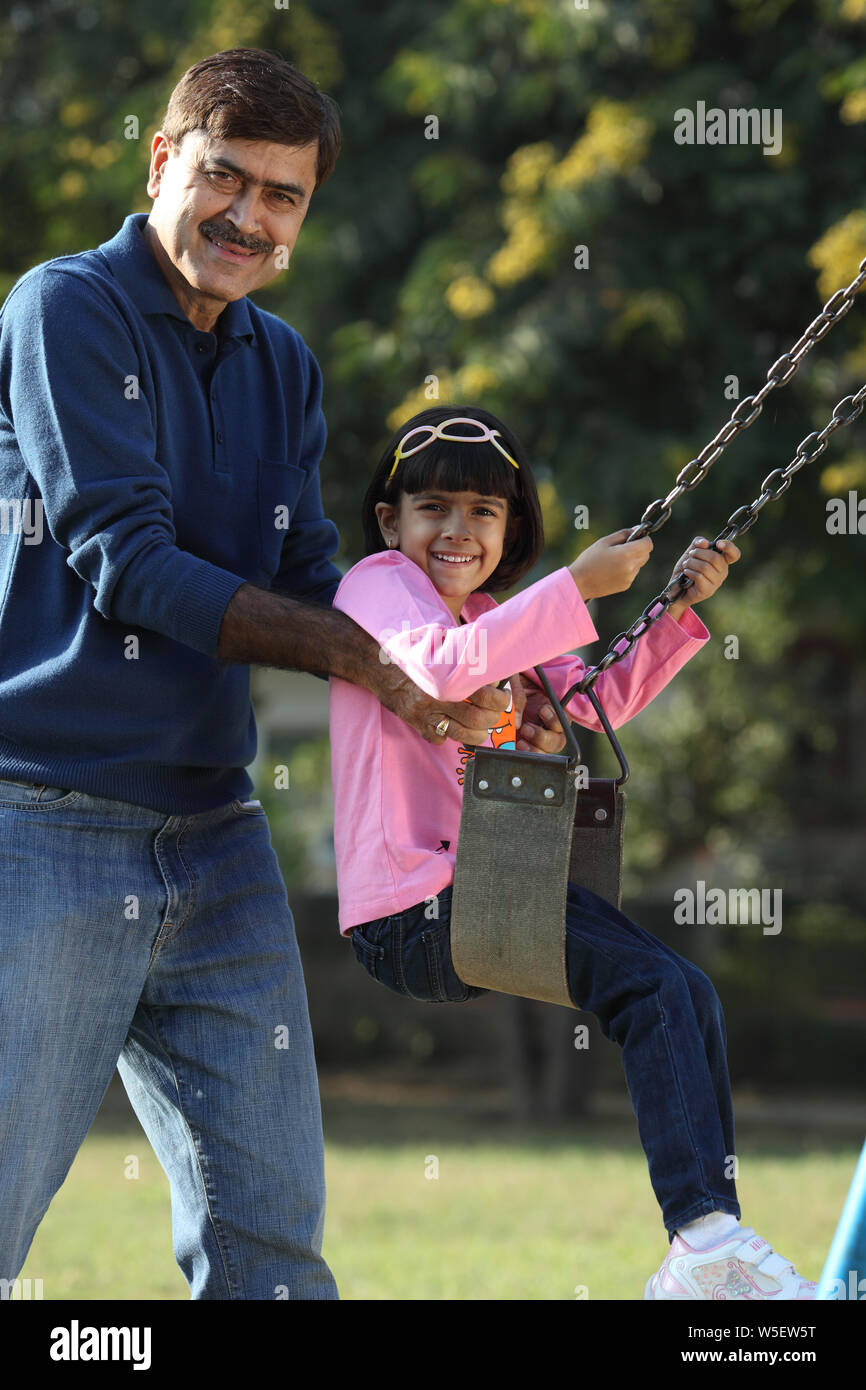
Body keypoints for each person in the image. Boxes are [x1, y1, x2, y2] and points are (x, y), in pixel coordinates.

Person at [0, 49, 541, 1301]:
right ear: (161, 162)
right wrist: (380, 665)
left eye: (282, 195)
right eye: (223, 177)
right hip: (43, 821)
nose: (248, 216)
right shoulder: (60, 309)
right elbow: (128, 564)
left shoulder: (280, 363)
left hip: (216, 833)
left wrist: (460, 645)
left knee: (274, 1251)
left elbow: (309, 573)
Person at [329, 403, 817, 1301]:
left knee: (683, 990)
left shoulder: (498, 618)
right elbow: (440, 665)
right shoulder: (376, 589)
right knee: (658, 986)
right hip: (413, 909)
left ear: (509, 530)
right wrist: (576, 589)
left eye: (484, 512)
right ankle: (703, 1241)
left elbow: (593, 704)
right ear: (391, 520)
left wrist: (673, 608)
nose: (457, 529)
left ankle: (712, 1244)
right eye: (433, 506)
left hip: (487, 891)